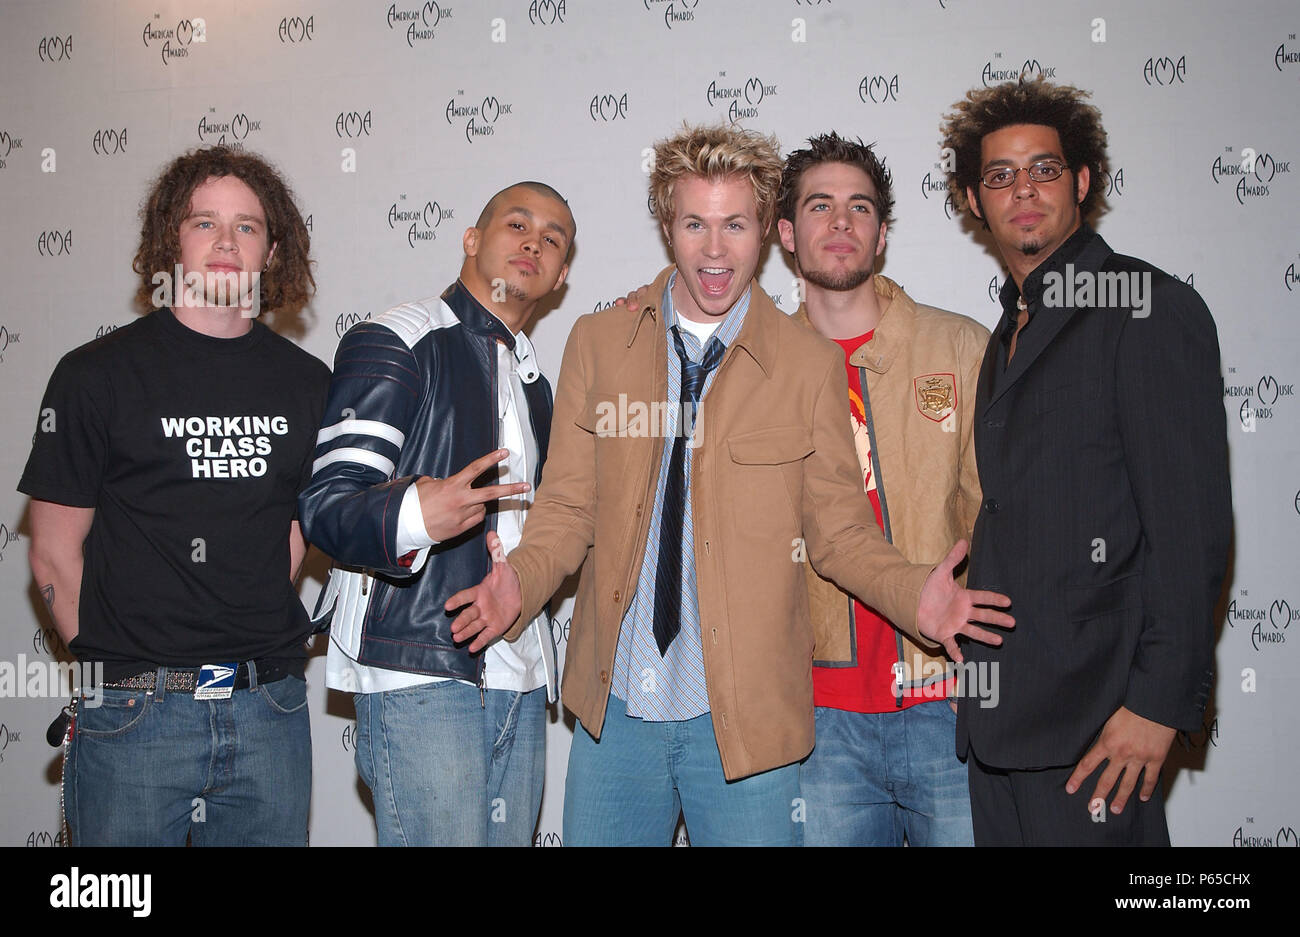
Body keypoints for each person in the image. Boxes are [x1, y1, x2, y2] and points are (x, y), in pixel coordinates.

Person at [446, 124, 1013, 846]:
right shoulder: (598, 342)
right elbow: (567, 511)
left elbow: (837, 534)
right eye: (695, 224)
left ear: (763, 232)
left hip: (745, 727)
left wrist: (915, 596)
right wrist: (519, 584)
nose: (715, 251)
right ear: (667, 228)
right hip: (615, 716)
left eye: (735, 224)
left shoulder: (806, 362)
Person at [939, 77, 1232, 845]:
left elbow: (1190, 530)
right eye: (1000, 175)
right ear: (975, 200)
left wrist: (1159, 704)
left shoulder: (1144, 306)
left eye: (1043, 168)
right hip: (1001, 729)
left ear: (1082, 180)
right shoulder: (1006, 334)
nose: (1023, 189)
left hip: (1098, 729)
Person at [20, 146, 330, 846]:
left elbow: (291, 535)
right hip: (134, 715)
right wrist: (123, 681)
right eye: (204, 223)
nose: (226, 242)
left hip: (269, 710)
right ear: (172, 240)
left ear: (272, 250)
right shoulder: (94, 375)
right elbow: (53, 555)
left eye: (247, 226)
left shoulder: (309, 382)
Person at [297, 182, 574, 846]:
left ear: (562, 276)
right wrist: (416, 513)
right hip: (419, 666)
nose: (533, 240)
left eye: (553, 237)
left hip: (519, 672)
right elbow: (325, 508)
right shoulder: (398, 339)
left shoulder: (536, 385)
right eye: (516, 223)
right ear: (472, 241)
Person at [775, 132, 988, 846]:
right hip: (818, 721)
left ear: (882, 233)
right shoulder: (755, 369)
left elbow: (1004, 520)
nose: (841, 222)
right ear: (785, 233)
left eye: (859, 207)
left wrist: (995, 675)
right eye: (820, 206)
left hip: (948, 702)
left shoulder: (959, 348)